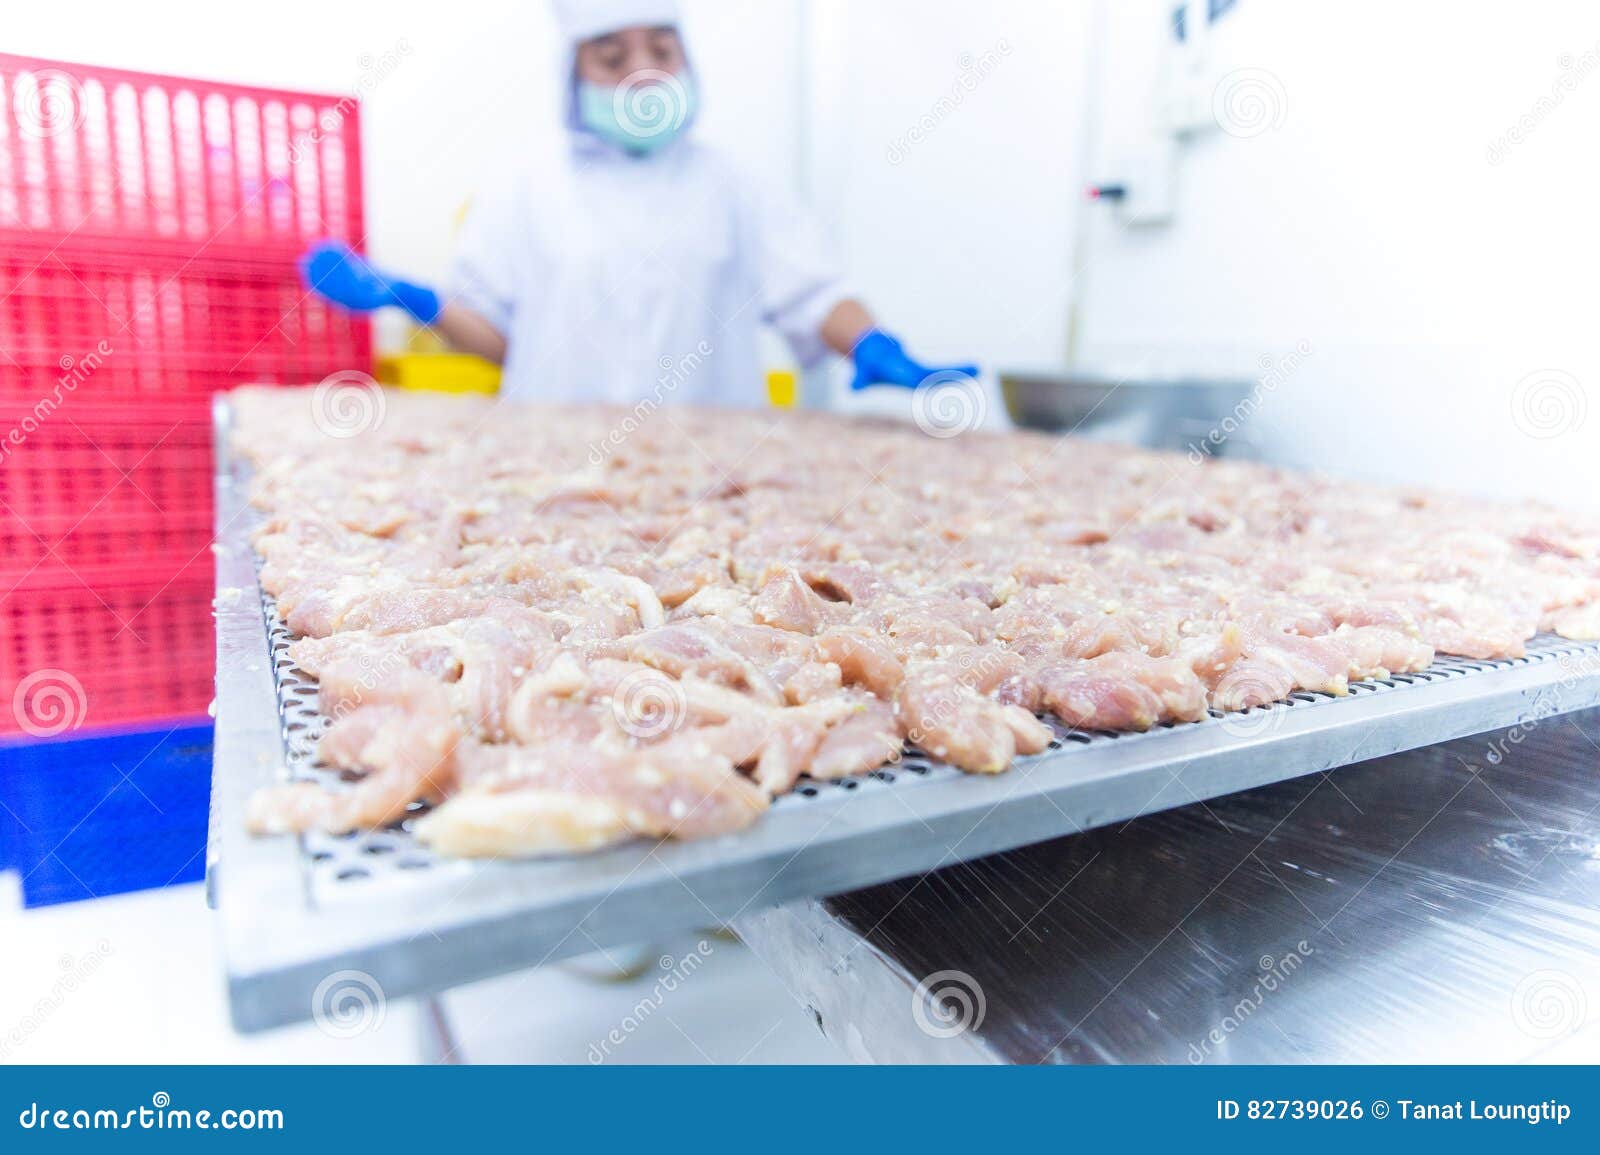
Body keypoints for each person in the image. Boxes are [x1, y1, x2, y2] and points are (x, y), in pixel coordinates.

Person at [299, 0, 975, 405]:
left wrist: (873, 344)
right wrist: (415, 299)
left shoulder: (734, 185)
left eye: (661, 50)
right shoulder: (524, 188)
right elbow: (505, 340)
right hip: (555, 472)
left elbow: (816, 294)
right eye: (612, 57)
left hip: (713, 477)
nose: (641, 73)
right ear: (576, 74)